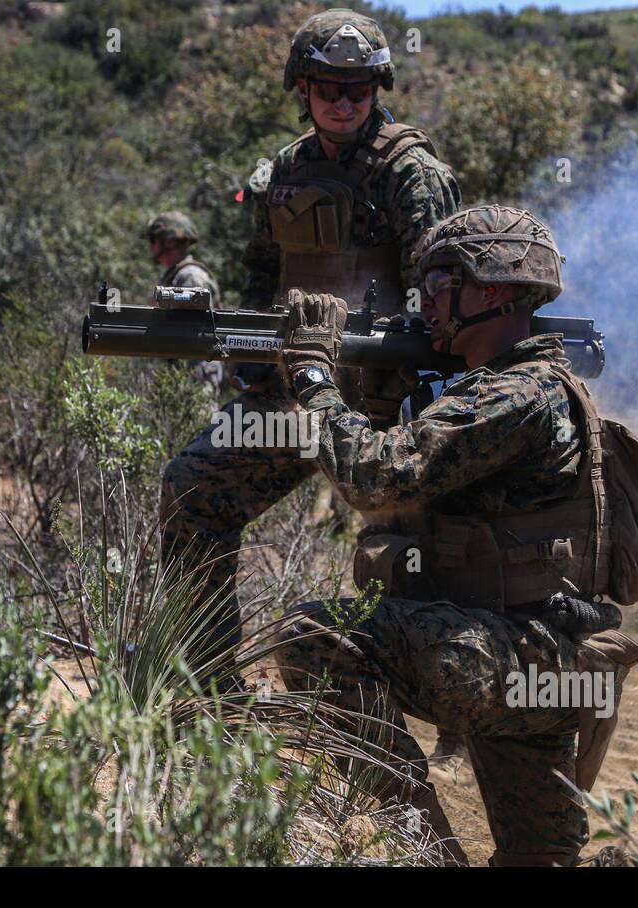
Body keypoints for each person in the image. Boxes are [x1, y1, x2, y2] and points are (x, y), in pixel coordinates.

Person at [269, 205, 638, 867]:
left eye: (442, 283)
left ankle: (425, 855)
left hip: (510, 658)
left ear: (494, 289)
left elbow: (374, 478)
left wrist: (313, 379)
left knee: (313, 638)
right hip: (543, 663)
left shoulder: (514, 394)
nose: (428, 302)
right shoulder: (536, 388)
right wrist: (382, 402)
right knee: (541, 859)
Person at [160, 8, 461, 655]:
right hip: (294, 398)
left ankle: (425, 706)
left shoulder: (412, 174)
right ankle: (206, 691)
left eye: (359, 89)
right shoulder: (283, 174)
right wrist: (243, 352)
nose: (344, 102)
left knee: (417, 567)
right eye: (328, 88)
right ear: (302, 87)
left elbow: (444, 297)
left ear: (379, 88)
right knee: (193, 491)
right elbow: (260, 277)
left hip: (388, 409)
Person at [142, 211, 223, 397]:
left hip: (196, 370)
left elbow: (196, 329)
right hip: (181, 369)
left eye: (153, 240)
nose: (151, 246)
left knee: (200, 424)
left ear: (169, 242)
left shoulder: (191, 277)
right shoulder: (176, 276)